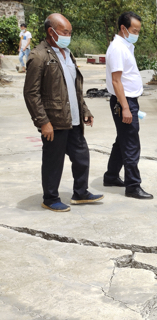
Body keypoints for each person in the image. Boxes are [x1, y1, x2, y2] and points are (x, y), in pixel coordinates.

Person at [23, 13, 103, 212]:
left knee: (81, 156)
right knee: (53, 161)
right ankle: (50, 198)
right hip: (54, 120)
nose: (68, 35)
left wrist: (84, 109)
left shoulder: (67, 53)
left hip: (73, 119)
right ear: (51, 31)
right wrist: (43, 121)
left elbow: (74, 87)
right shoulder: (39, 56)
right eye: (65, 32)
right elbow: (31, 93)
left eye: (70, 32)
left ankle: (81, 192)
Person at [103, 11, 153, 200]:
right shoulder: (117, 48)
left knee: (123, 139)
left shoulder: (125, 46)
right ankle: (133, 185)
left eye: (139, 30)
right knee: (131, 143)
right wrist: (125, 107)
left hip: (129, 100)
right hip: (124, 101)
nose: (137, 34)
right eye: (134, 30)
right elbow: (116, 81)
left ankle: (111, 176)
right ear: (123, 28)